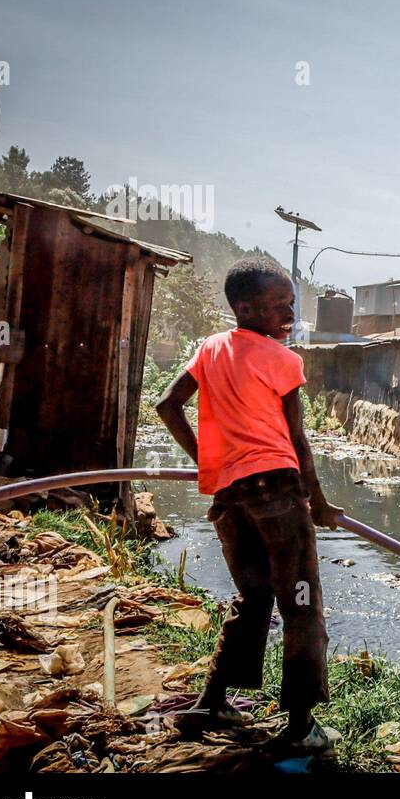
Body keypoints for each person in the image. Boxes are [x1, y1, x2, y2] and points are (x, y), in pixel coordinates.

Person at [156, 257, 342, 753]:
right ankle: (300, 729)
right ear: (244, 307)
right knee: (300, 602)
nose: (289, 313)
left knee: (254, 598)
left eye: (291, 304)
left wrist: (209, 465)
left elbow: (167, 405)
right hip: (279, 492)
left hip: (230, 495)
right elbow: (297, 441)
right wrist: (319, 502)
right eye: (278, 305)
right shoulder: (284, 360)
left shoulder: (210, 348)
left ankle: (212, 702)